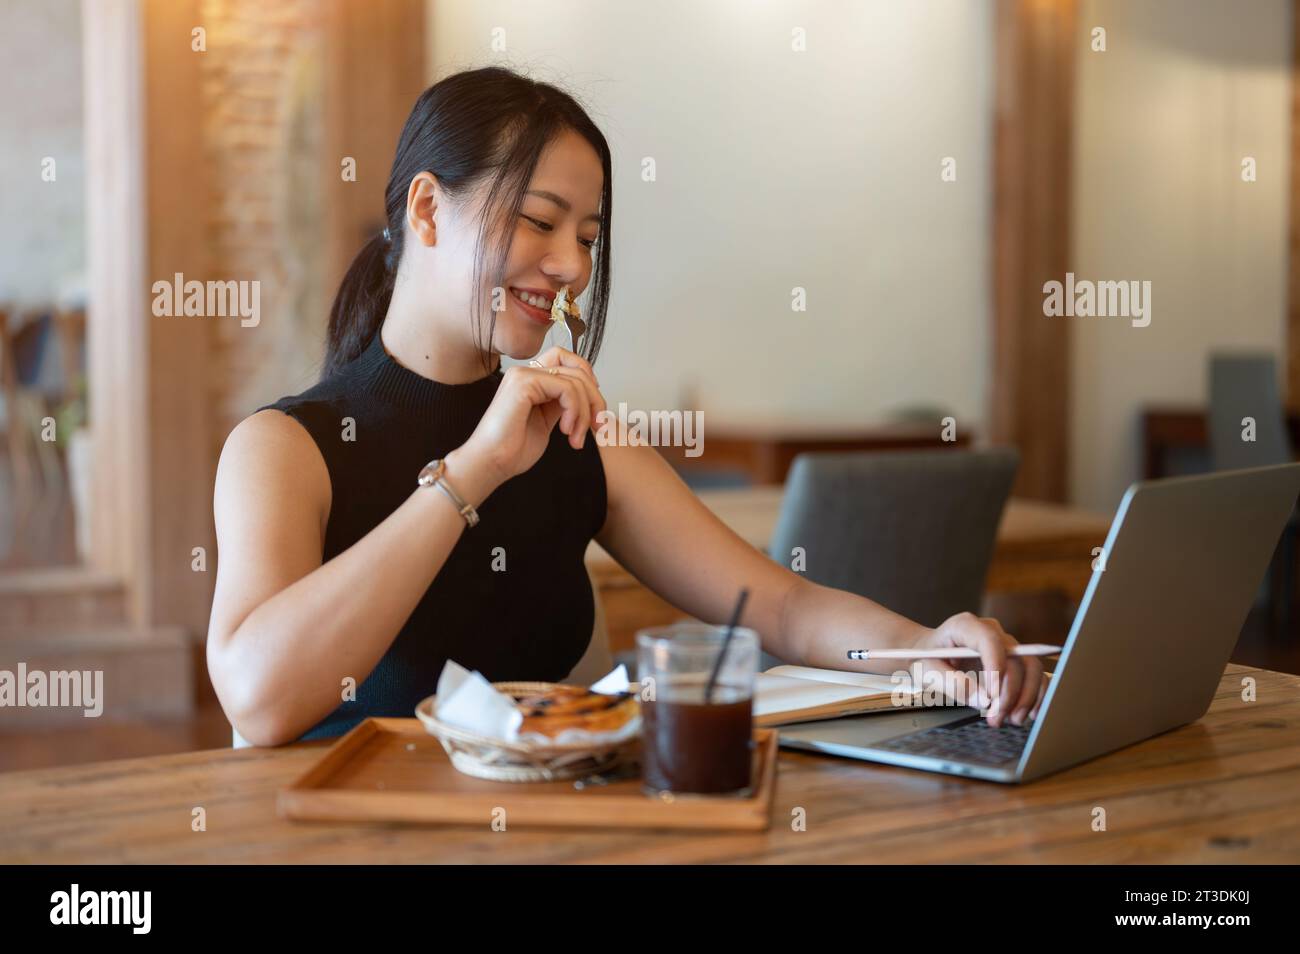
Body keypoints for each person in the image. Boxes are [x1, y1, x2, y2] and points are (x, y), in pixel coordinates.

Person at [207, 66, 1046, 746]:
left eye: (589, 236)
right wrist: (475, 471)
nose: (570, 265)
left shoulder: (581, 439)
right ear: (427, 209)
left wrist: (930, 651)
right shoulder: (286, 448)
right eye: (541, 221)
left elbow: (783, 608)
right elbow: (258, 700)